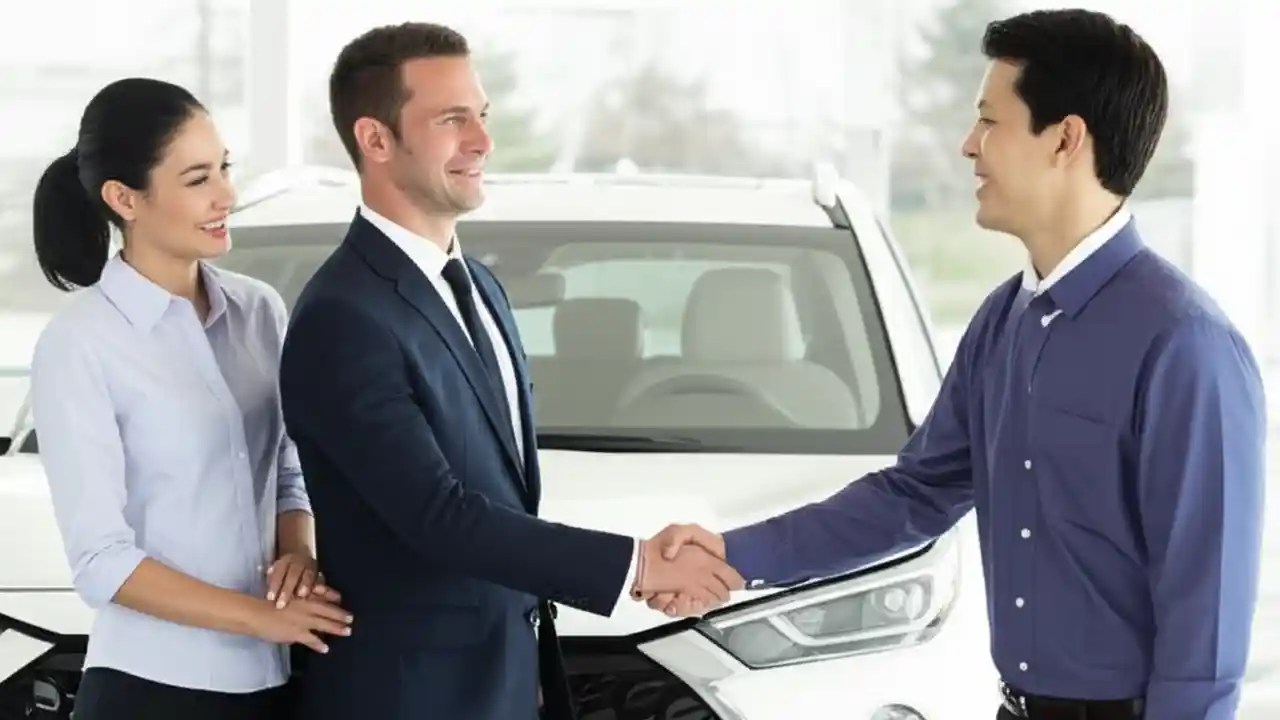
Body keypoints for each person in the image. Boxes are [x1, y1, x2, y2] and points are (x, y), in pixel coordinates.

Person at [649, 9, 1266, 720]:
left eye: (990, 122)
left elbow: (1205, 628)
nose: (969, 145)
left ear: (1065, 139)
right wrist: (733, 554)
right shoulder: (1004, 321)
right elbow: (913, 495)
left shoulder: (1185, 345)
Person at [277, 22, 743, 720]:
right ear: (375, 139)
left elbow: (500, 496)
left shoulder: (481, 288)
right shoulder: (343, 317)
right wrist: (639, 565)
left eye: (483, 115)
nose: (483, 141)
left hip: (505, 683)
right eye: (451, 119)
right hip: (409, 698)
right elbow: (438, 516)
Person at [28, 78, 354, 720]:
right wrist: (259, 618)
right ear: (124, 198)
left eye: (224, 168)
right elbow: (100, 561)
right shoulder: (80, 343)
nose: (226, 195)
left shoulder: (260, 310)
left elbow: (289, 467)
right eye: (198, 178)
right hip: (151, 689)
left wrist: (298, 553)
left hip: (277, 679)